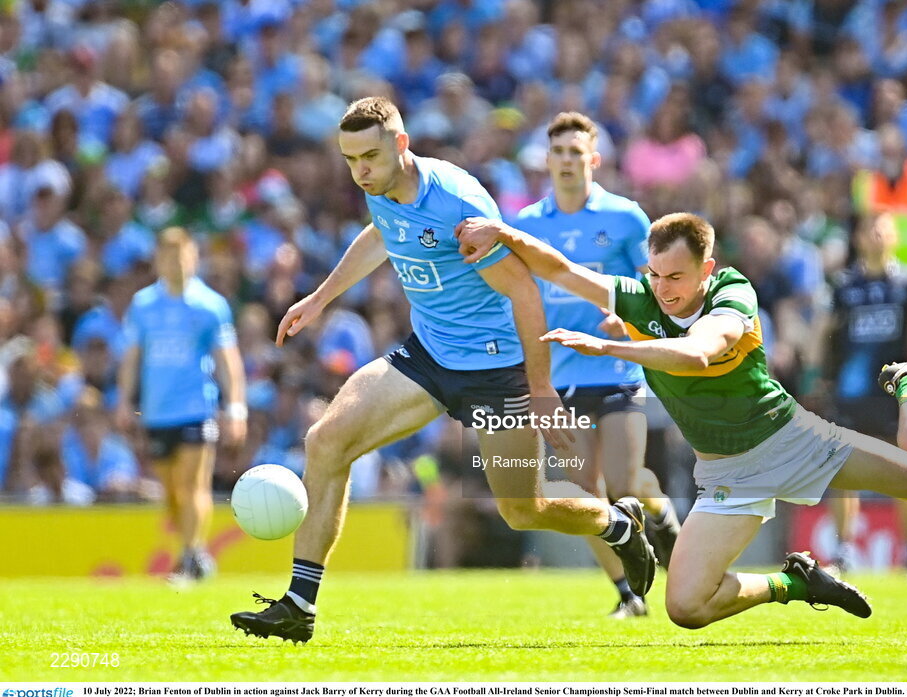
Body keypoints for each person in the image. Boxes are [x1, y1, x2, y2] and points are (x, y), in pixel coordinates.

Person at [230, 97, 656, 643]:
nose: (359, 171)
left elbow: (524, 290)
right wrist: (320, 297)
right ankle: (299, 604)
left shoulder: (456, 203)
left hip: (498, 373)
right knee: (326, 441)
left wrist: (542, 387)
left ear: (401, 146)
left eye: (369, 157)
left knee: (524, 509)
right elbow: (383, 233)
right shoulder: (381, 189)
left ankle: (616, 523)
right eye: (349, 159)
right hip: (429, 356)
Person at [456, 211, 907, 629]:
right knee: (686, 608)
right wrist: (504, 234)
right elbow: (561, 269)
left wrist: (612, 345)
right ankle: (795, 582)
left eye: (676, 276)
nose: (663, 287)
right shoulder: (639, 295)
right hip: (725, 475)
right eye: (654, 273)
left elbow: (698, 354)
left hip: (791, 441)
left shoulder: (733, 294)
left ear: (706, 268)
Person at [517, 111, 678, 619]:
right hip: (560, 378)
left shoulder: (626, 218)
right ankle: (629, 596)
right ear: (547, 160)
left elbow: (658, 287)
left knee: (626, 484)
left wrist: (627, 321)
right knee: (589, 497)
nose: (566, 161)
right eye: (558, 152)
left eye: (575, 152)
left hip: (615, 370)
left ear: (595, 160)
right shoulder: (525, 226)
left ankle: (658, 508)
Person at [815, 213, 907, 582]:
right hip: (851, 392)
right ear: (859, 236)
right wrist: (817, 372)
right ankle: (842, 554)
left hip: (897, 392)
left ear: (894, 236)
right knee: (843, 470)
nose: (877, 234)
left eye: (884, 228)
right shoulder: (840, 286)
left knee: (906, 471)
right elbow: (821, 333)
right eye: (871, 228)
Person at [116, 227, 248, 581]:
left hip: (196, 409)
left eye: (182, 256)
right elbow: (132, 358)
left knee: (192, 485)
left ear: (194, 259)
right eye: (168, 256)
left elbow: (227, 360)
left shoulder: (210, 306)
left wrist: (236, 407)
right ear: (158, 260)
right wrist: (124, 401)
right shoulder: (143, 306)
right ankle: (197, 553)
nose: (175, 264)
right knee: (172, 494)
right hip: (158, 413)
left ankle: (189, 558)